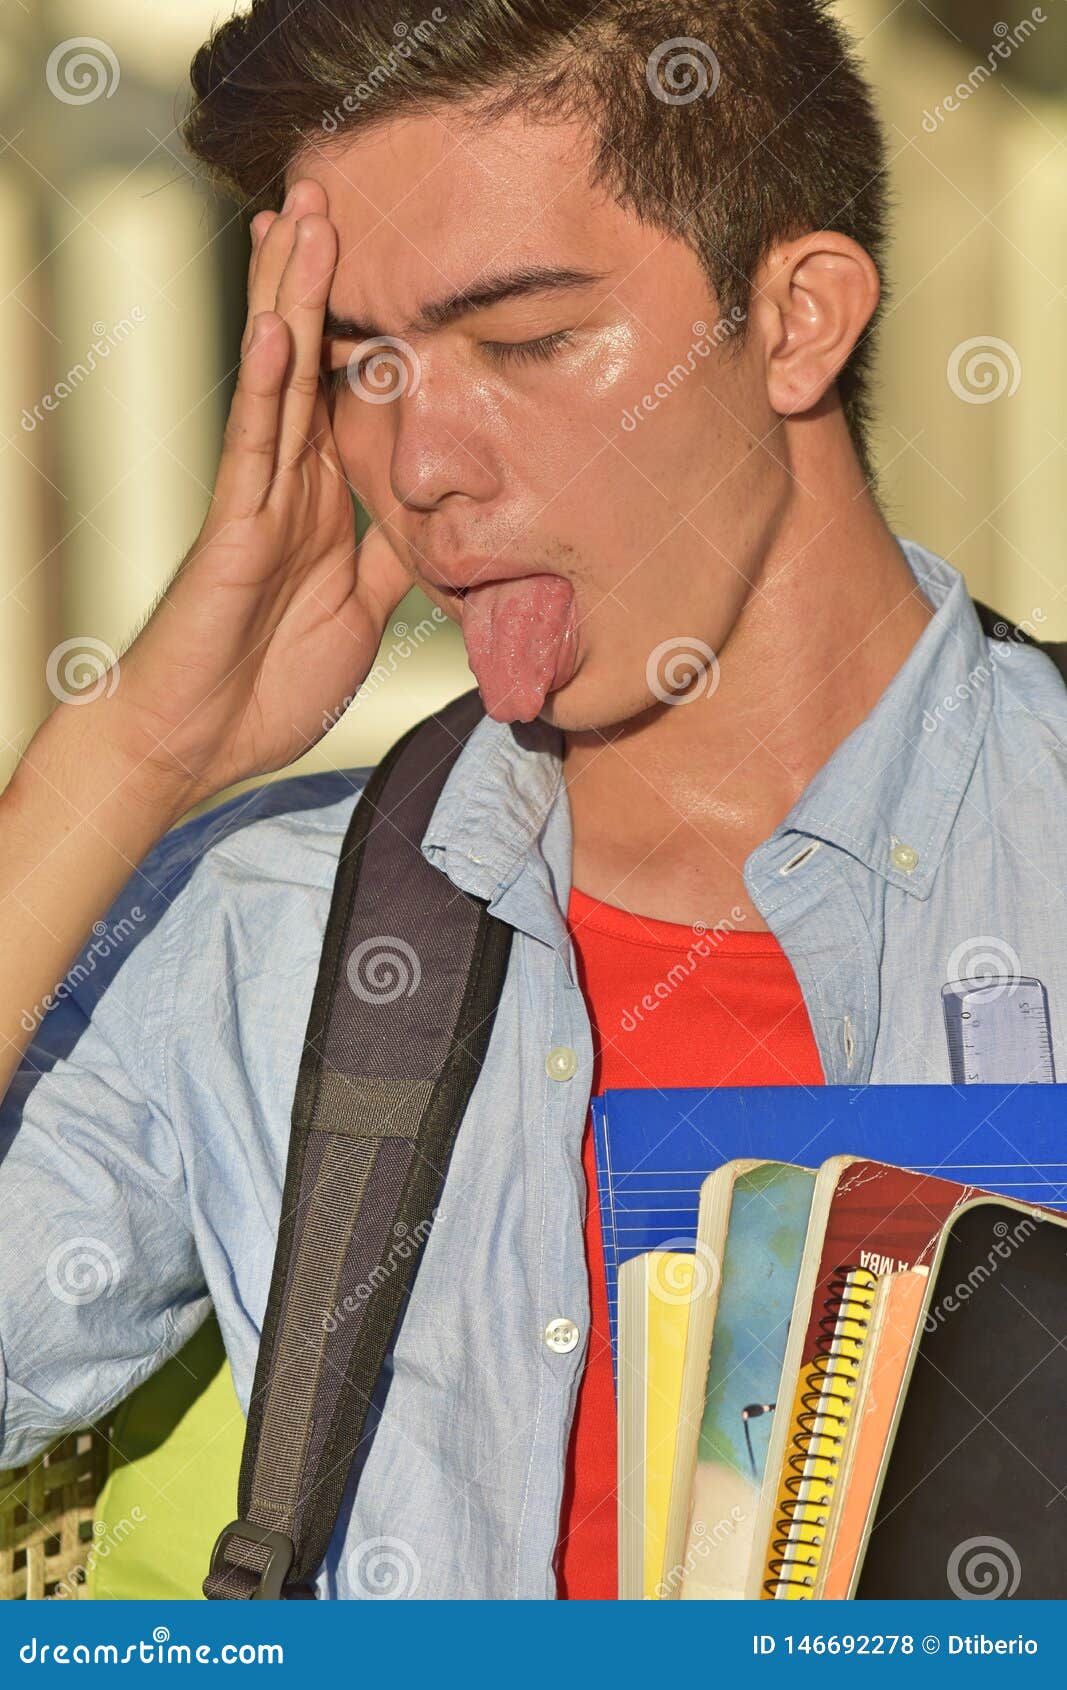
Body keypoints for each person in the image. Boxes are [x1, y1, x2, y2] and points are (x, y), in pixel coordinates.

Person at [1, 0, 1064, 1601]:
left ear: (797, 318)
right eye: (366, 362)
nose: (421, 460)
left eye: (522, 341)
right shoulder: (266, 933)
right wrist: (127, 752)